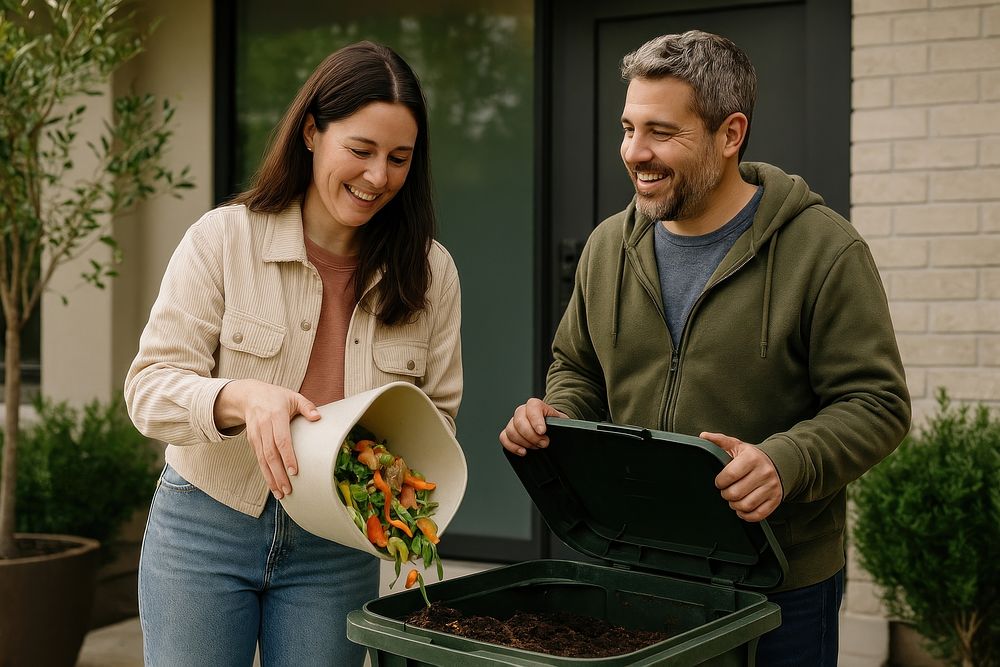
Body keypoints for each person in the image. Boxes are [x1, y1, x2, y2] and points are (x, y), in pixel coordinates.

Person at [500, 30, 909, 666]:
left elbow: (877, 403)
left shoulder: (825, 251)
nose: (635, 152)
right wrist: (560, 416)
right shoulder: (607, 247)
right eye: (628, 129)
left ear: (730, 134)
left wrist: (784, 462)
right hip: (636, 566)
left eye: (661, 132)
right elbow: (577, 367)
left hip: (778, 587)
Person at [125, 41, 462, 667]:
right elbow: (148, 389)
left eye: (398, 158)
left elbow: (436, 418)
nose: (378, 177)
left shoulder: (430, 272)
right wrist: (239, 397)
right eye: (360, 150)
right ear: (311, 132)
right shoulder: (223, 239)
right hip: (204, 527)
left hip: (337, 544)